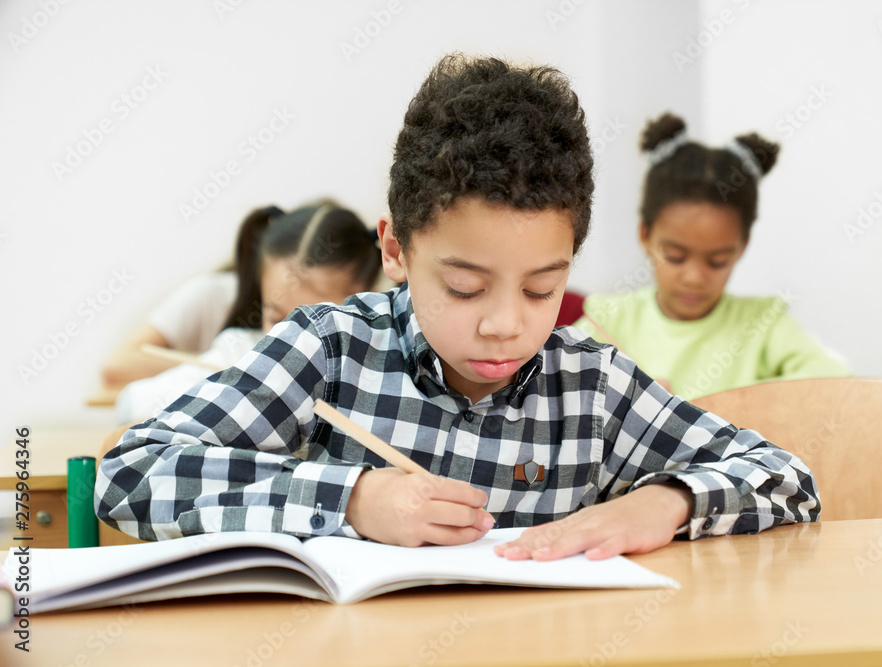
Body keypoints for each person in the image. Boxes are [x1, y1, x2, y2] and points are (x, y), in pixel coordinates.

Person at [96, 54, 819, 562]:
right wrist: (351, 498)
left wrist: (660, 503)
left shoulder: (591, 387)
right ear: (396, 250)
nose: (506, 322)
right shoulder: (329, 350)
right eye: (466, 287)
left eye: (542, 288)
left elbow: (785, 475)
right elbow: (129, 471)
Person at [574, 113, 849, 400]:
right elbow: (558, 390)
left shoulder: (762, 326)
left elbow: (835, 380)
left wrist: (739, 409)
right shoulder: (609, 322)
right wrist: (622, 397)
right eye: (675, 256)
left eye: (717, 261)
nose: (694, 278)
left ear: (741, 247)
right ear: (645, 235)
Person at [113, 203, 382, 423]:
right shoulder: (242, 352)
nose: (289, 336)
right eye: (276, 318)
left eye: (316, 322)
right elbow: (132, 404)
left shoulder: (380, 370)